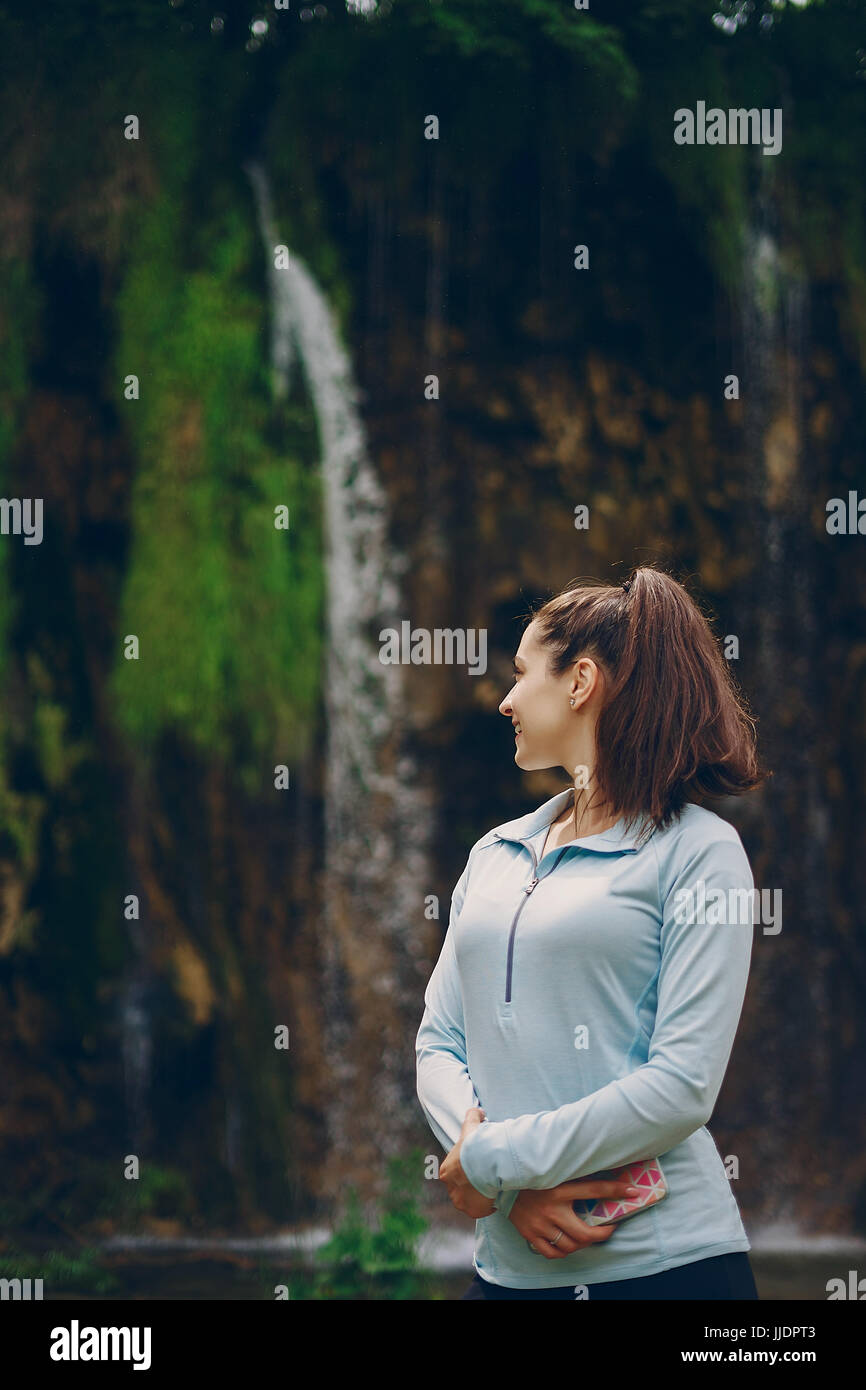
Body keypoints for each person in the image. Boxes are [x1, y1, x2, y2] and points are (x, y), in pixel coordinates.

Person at [415, 567, 769, 1299]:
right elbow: (439, 1042)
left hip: (665, 1268)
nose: (506, 700)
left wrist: (497, 1163)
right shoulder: (494, 853)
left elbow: (681, 1087)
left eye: (521, 674)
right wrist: (507, 1184)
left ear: (579, 682)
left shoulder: (699, 853)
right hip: (507, 1267)